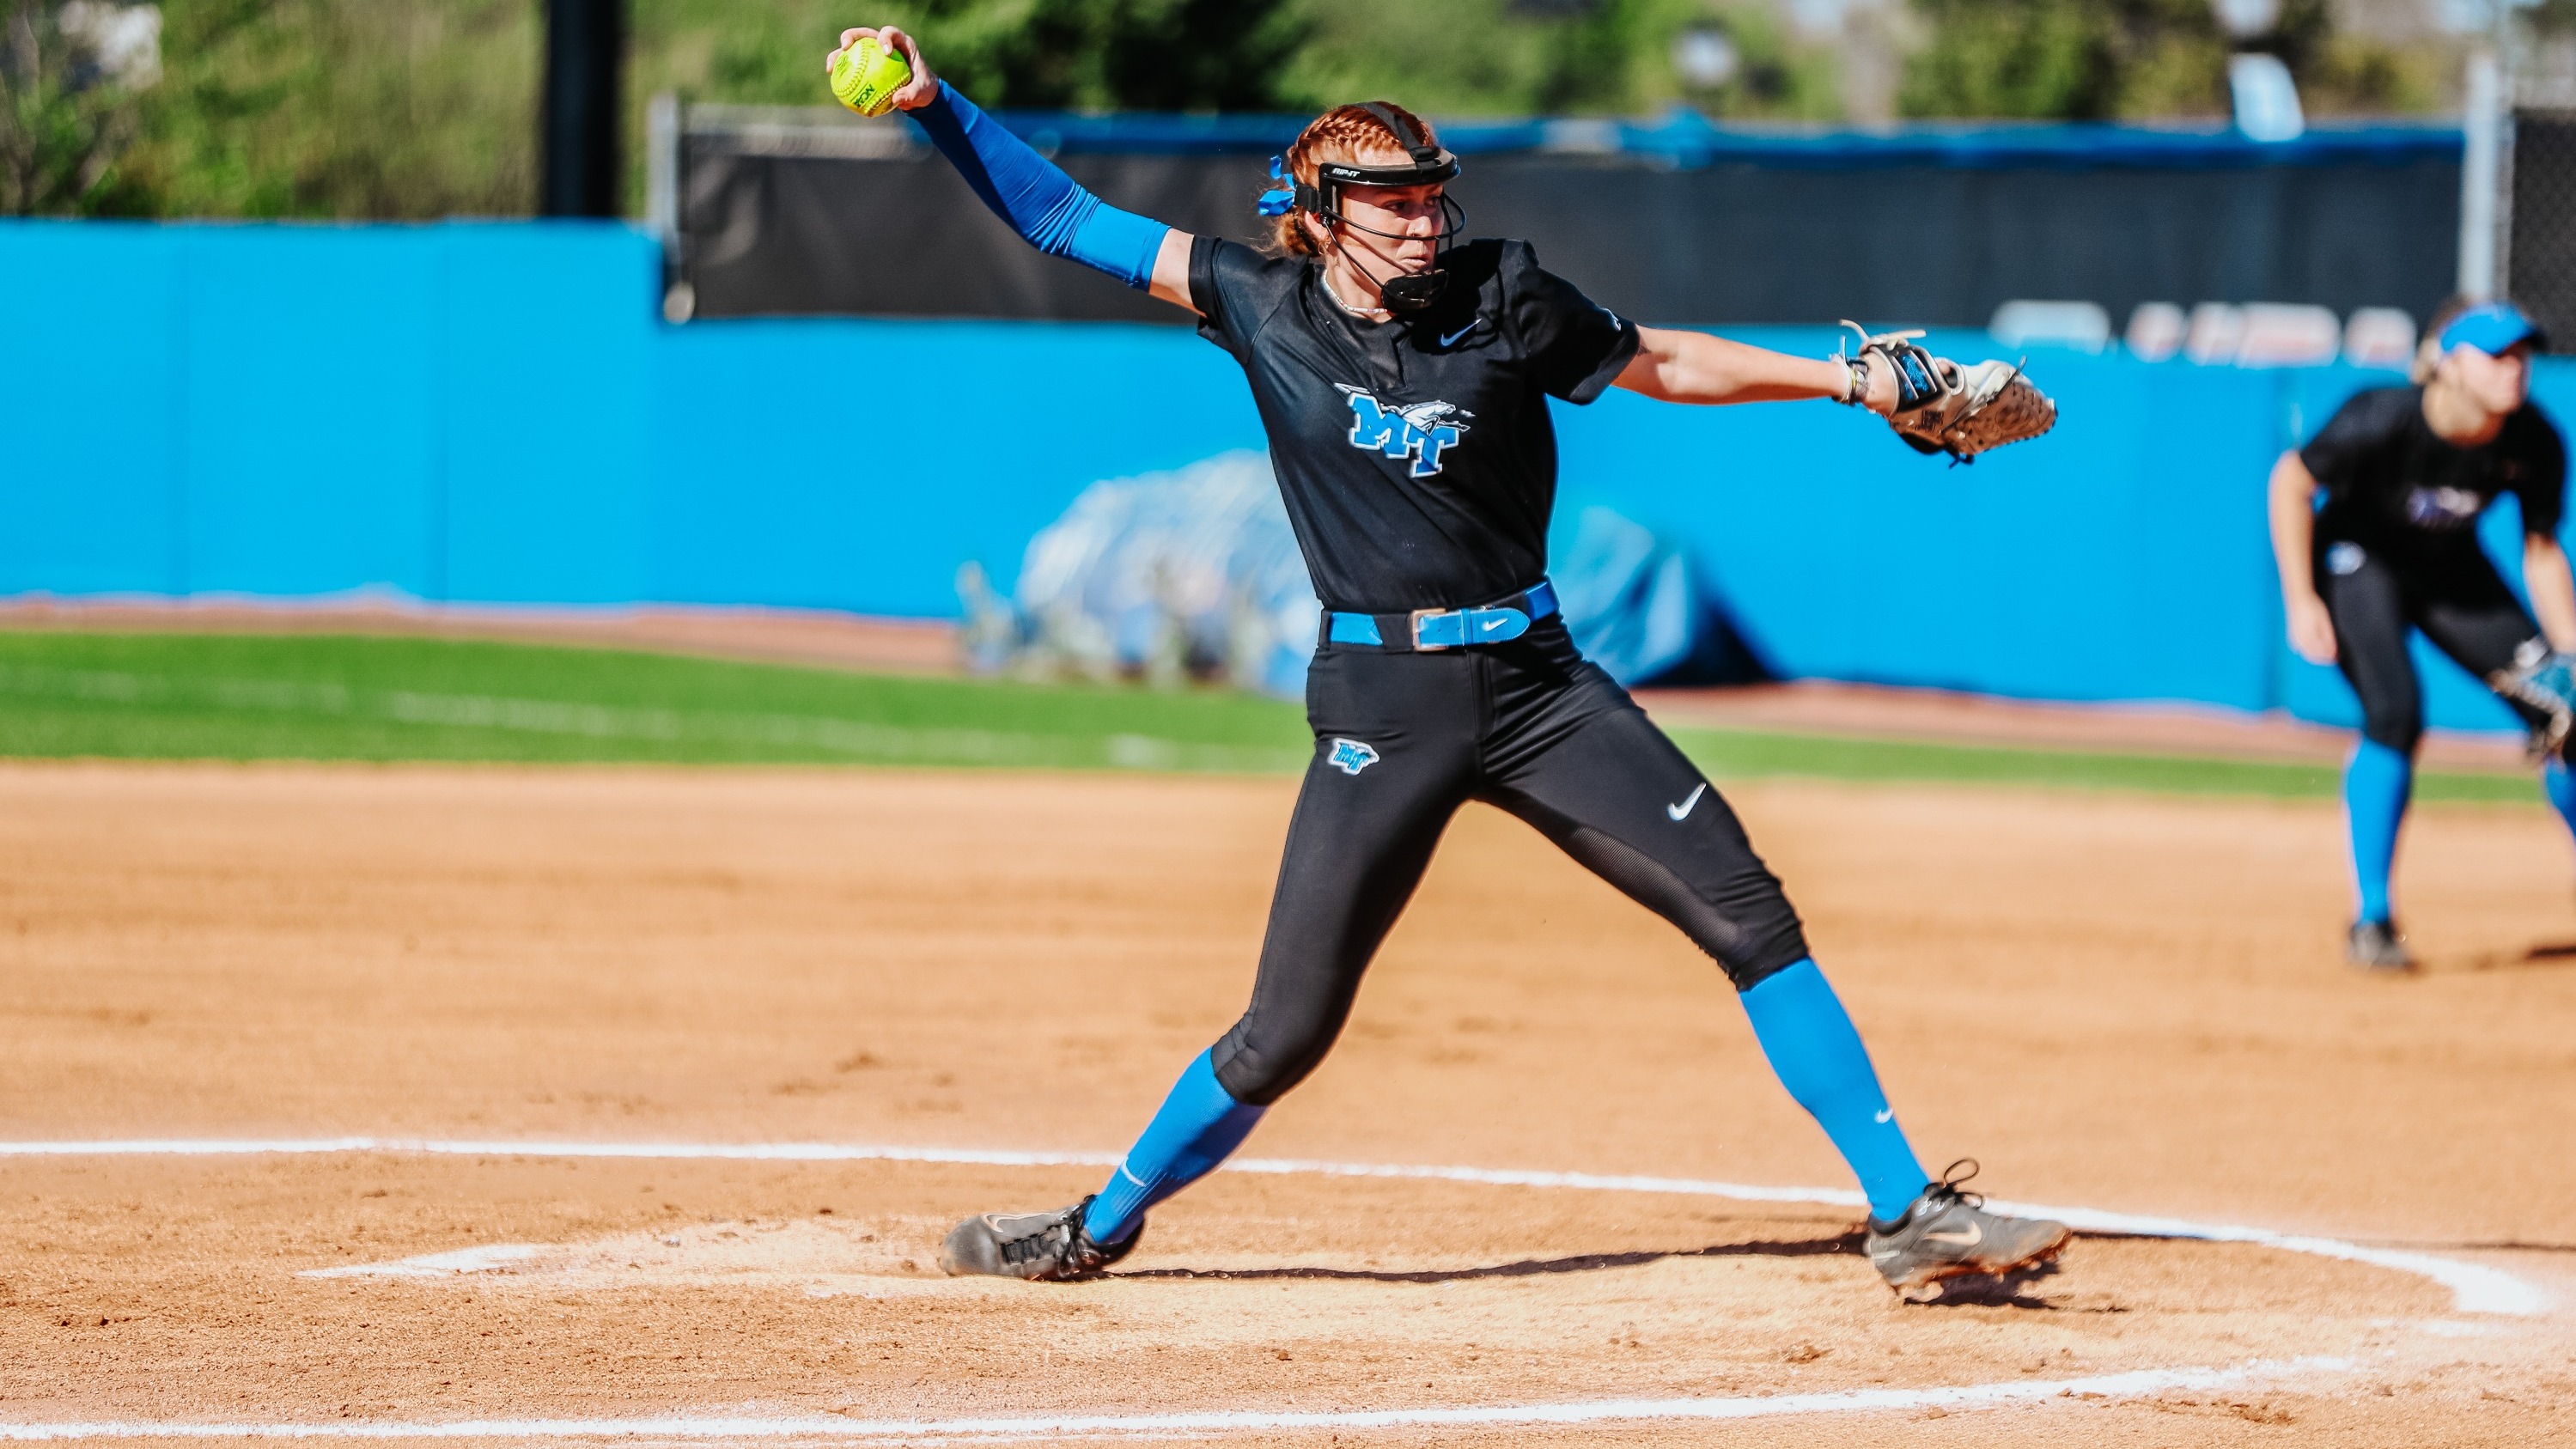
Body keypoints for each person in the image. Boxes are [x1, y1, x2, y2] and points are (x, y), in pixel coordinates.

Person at [833, 23, 2071, 1298]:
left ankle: (1905, 1211)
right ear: (1316, 216)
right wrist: (935, 104)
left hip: (1541, 687)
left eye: (1430, 195)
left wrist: (1845, 380)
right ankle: (1096, 1223)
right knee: (1284, 1031)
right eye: (1390, 201)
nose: (1422, 221)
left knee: (1745, 907)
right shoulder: (1253, 301)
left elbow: (1664, 361)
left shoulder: (1504, 294)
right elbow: (1062, 219)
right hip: (1383, 703)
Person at [2270, 301, 2576, 972]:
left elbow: (2542, 549)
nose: (2513, 370)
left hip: (2449, 571)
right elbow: (2290, 481)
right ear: (2445, 361)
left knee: (2568, 716)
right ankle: (2372, 919)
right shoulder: (2382, 416)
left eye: (2521, 356)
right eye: (2495, 355)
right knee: (2395, 711)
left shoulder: (2534, 439)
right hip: (2356, 561)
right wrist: (2300, 599)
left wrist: (2572, 657)